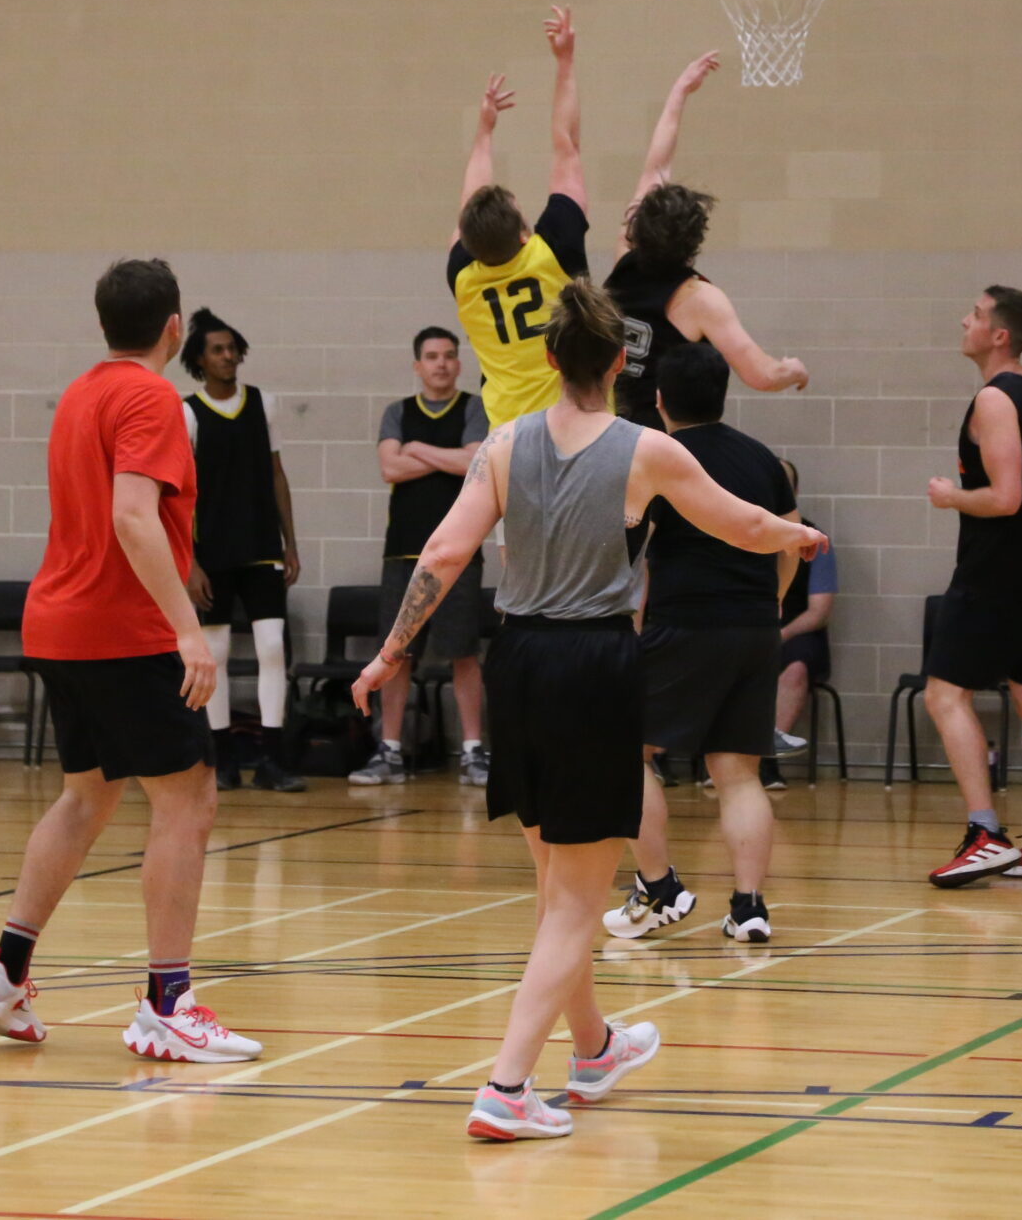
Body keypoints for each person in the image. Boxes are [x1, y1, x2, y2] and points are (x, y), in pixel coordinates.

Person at [349, 280, 825, 1142]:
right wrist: (797, 536)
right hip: (594, 663)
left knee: (554, 886)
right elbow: (741, 525)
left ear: (544, 358)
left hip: (517, 663)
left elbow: (446, 550)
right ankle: (504, 1088)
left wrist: (390, 652)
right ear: (618, 361)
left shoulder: (500, 443)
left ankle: (596, 1048)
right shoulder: (647, 448)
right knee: (572, 901)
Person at [0, 260, 260, 1064]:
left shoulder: (80, 392)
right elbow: (132, 514)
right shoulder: (152, 396)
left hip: (58, 623)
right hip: (122, 630)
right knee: (188, 797)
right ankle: (169, 1001)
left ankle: (5, 972)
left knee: (87, 795)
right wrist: (186, 630)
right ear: (174, 328)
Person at [601, 343, 800, 944]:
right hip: (755, 627)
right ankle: (748, 907)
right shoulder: (762, 459)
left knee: (621, 752)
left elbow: (630, 554)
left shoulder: (659, 459)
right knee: (738, 771)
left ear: (659, 400)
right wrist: (773, 603)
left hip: (685, 625)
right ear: (724, 394)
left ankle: (658, 886)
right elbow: (789, 543)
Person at [920, 287, 1022, 889]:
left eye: (977, 315)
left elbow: (1007, 497)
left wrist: (950, 495)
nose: (965, 320)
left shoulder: (995, 398)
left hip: (997, 571)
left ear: (1000, 335)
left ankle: (985, 833)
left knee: (944, 695)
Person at [603, 52, 808, 429]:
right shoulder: (699, 300)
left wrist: (678, 93)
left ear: (638, 227)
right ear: (695, 240)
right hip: (659, 436)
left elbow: (656, 167)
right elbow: (760, 374)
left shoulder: (623, 255)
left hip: (608, 423)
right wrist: (793, 371)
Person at [177, 308, 303, 793]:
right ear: (200, 361)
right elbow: (180, 493)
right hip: (211, 552)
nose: (228, 356)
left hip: (260, 548)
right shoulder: (188, 413)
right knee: (217, 653)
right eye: (218, 350)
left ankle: (272, 759)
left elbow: (276, 474)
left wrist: (290, 541)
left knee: (273, 647)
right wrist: (188, 561)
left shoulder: (262, 404)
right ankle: (221, 760)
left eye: (232, 348)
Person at [359, 325, 491, 787]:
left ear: (458, 363)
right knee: (396, 653)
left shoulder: (474, 407)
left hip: (459, 552)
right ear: (418, 366)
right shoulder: (397, 412)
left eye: (449, 355)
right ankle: (390, 751)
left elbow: (475, 462)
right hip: (403, 554)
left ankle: (474, 752)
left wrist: (416, 450)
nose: (441, 363)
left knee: (464, 654)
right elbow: (387, 467)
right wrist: (444, 457)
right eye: (432, 356)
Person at [450, 6, 589, 427]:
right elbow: (567, 147)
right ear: (526, 234)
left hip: (510, 435)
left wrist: (484, 133)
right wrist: (564, 63)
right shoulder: (553, 253)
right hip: (580, 424)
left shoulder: (464, 278)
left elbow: (468, 205)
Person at [766, 456, 836, 791]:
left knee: (796, 666)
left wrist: (780, 633)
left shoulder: (814, 538)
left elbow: (819, 611)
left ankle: (768, 758)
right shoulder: (739, 531)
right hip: (746, 630)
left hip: (795, 632)